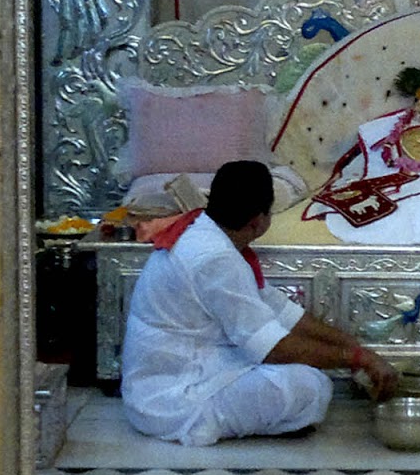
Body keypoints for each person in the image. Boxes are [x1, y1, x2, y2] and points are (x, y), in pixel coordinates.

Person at [121, 159, 399, 445]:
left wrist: (353, 347)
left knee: (306, 373)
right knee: (310, 387)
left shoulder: (208, 233)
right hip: (171, 398)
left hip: (191, 365)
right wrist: (355, 359)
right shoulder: (214, 257)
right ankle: (218, 422)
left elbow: (280, 310)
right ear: (258, 221)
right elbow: (272, 349)